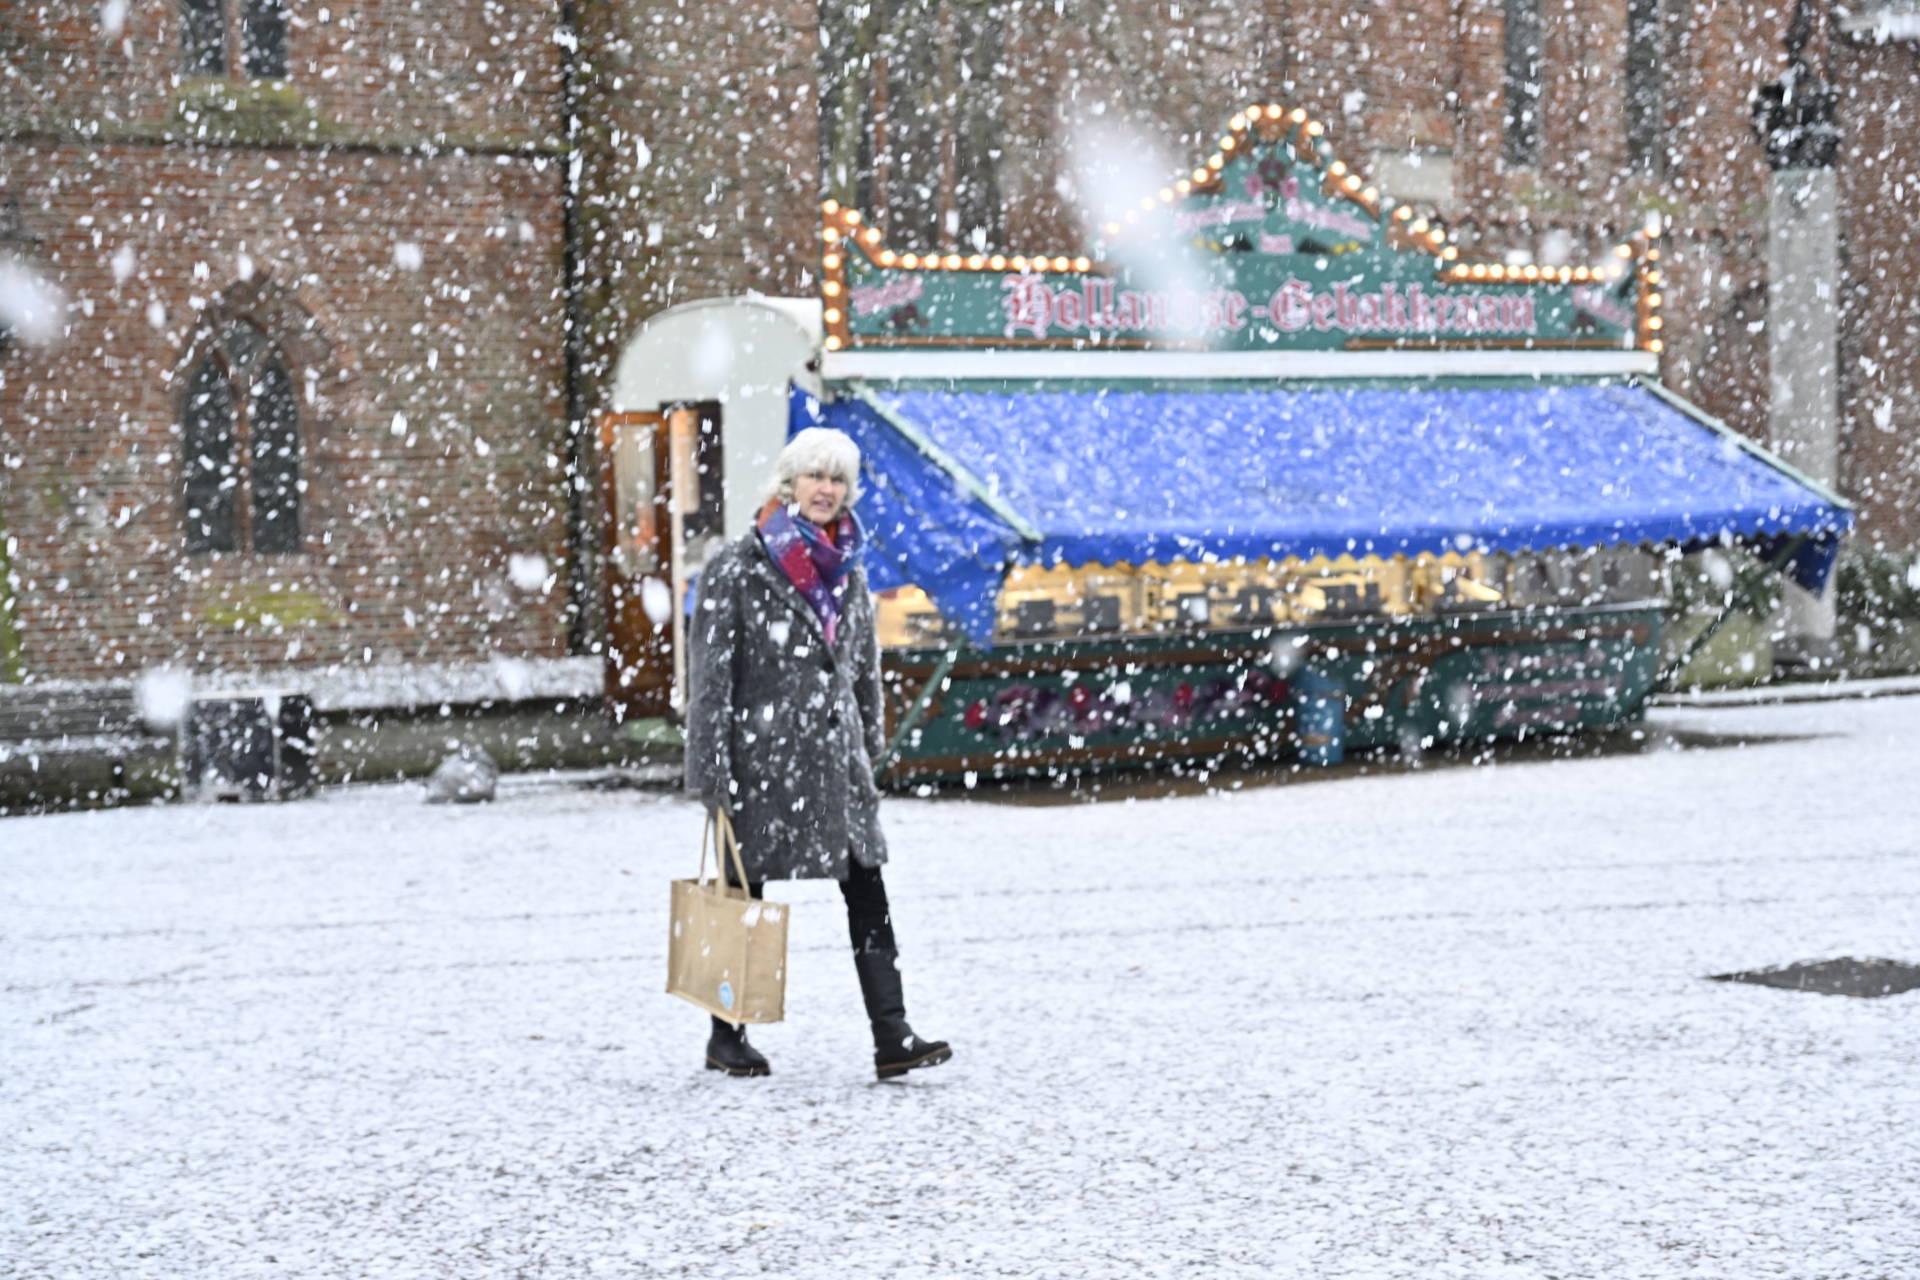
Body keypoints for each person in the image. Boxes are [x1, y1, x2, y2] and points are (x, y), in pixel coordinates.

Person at [684, 426, 953, 1081]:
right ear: (789, 483)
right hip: (760, 763)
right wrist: (711, 770)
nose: (826, 490)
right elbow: (711, 677)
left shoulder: (849, 569)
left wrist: (870, 745)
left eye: (837, 479)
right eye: (814, 476)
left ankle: (893, 1036)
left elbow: (861, 670)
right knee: (743, 898)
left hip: (836, 768)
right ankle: (727, 1035)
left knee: (867, 891)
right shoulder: (738, 566)